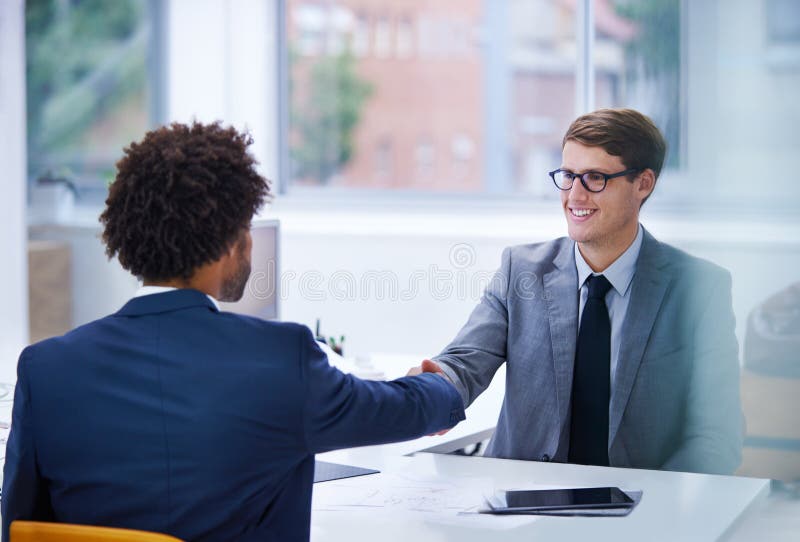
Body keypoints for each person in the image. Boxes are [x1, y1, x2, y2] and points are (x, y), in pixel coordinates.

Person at [2, 122, 465, 542]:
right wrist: (443, 387)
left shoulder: (46, 369)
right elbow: (399, 410)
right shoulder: (282, 360)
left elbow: (21, 527)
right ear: (229, 242)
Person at [410, 108, 742, 474]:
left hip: (639, 512)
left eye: (595, 177)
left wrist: (657, 506)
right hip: (519, 504)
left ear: (643, 183)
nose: (574, 195)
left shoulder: (700, 290)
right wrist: (424, 394)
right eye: (568, 176)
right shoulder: (520, 270)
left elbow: (716, 436)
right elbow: (464, 363)